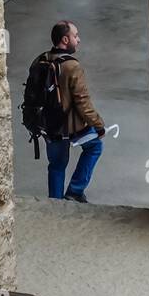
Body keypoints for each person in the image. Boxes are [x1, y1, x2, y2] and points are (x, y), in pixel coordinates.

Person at [42, 20, 106, 203]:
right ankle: (75, 190)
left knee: (56, 165)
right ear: (65, 39)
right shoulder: (72, 67)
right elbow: (83, 102)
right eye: (75, 36)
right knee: (95, 146)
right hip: (70, 126)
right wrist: (99, 125)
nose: (79, 40)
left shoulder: (42, 59)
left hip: (49, 125)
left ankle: (54, 204)